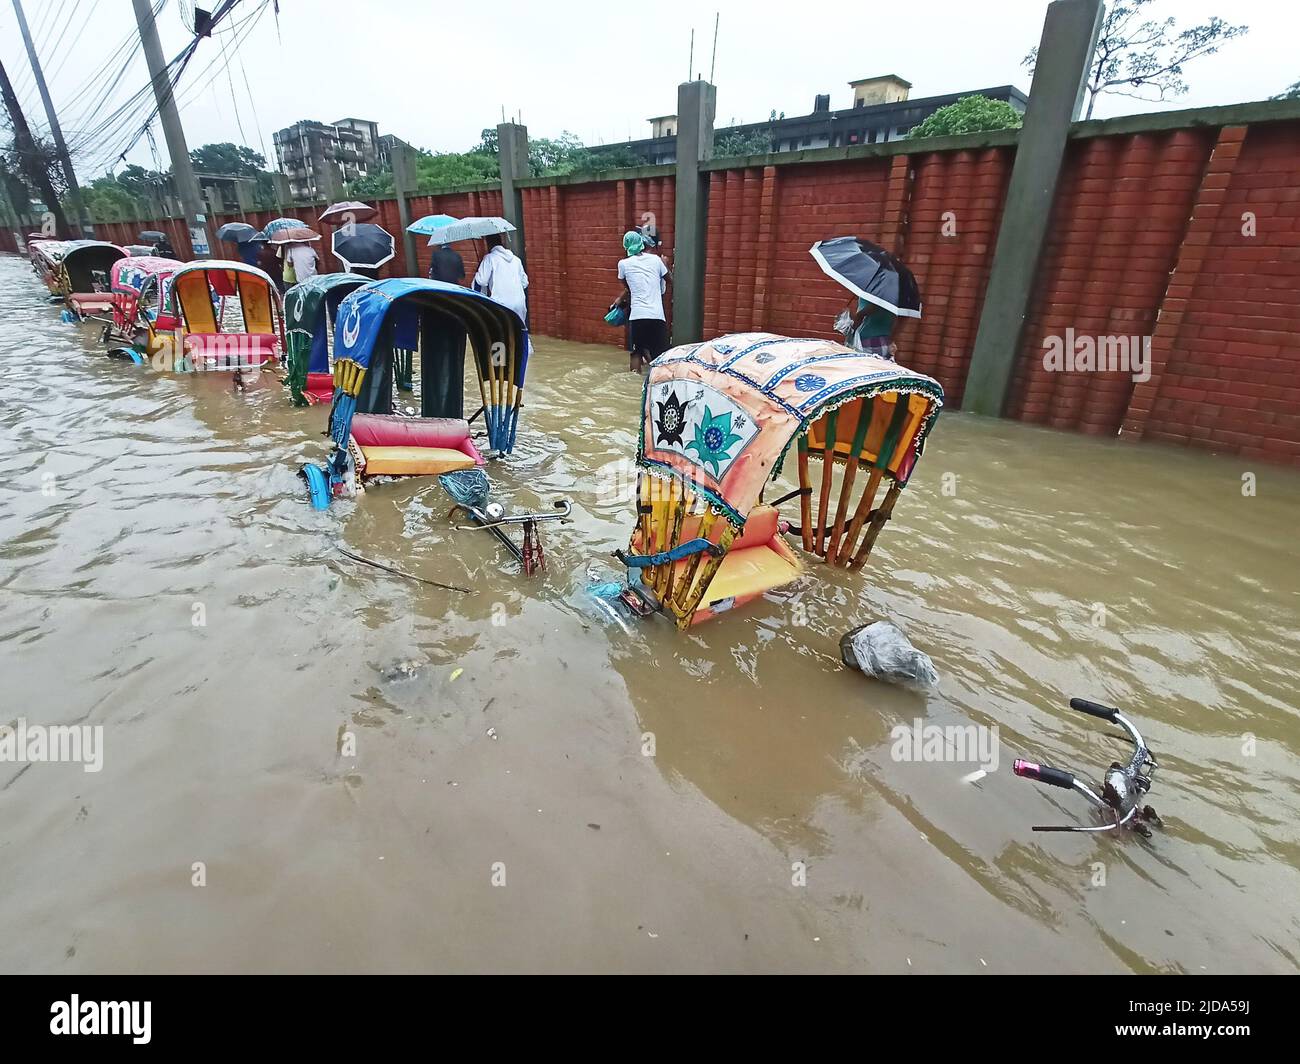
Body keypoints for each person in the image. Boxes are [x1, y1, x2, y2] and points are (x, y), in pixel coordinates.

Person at [616, 229, 670, 373]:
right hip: (657, 316)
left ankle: (632, 383)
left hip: (638, 316)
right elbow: (669, 280)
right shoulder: (656, 260)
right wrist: (665, 265)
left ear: (626, 247)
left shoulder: (623, 264)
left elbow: (626, 285)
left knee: (636, 353)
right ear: (642, 243)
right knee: (662, 356)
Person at [472, 234, 527, 323]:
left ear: (488, 244)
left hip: (501, 303)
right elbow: (524, 283)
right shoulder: (516, 260)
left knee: (504, 332)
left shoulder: (489, 258)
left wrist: (479, 271)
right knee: (520, 332)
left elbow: (482, 281)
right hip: (519, 303)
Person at [840, 296, 896, 360]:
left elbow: (875, 305)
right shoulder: (894, 294)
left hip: (868, 342)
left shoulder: (876, 292)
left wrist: (859, 315)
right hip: (885, 341)